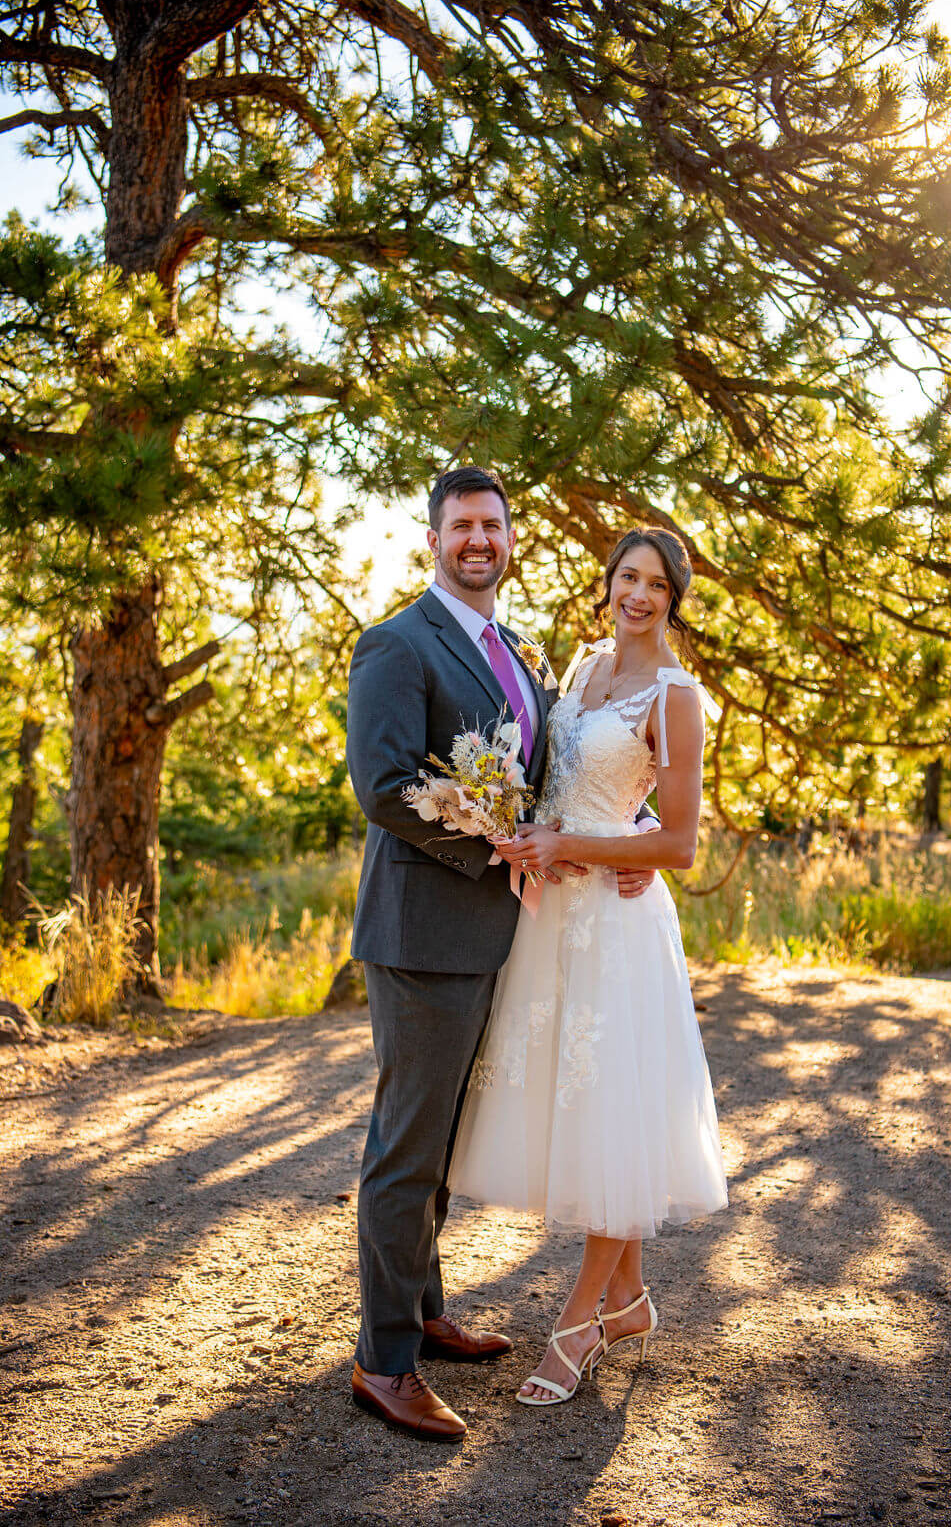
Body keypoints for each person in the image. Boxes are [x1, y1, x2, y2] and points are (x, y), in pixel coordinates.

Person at [344, 467, 657, 1440]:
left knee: (438, 1138)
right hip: (422, 932)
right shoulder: (398, 643)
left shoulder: (516, 650)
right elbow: (384, 784)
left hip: (492, 933)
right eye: (461, 525)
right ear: (433, 536)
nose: (478, 539)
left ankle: (426, 1312)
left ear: (508, 538)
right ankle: (383, 1359)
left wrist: (632, 828)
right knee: (406, 1146)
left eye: (492, 525)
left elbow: (562, 768)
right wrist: (488, 837)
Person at [448, 526, 728, 1406]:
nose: (637, 596)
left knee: (610, 1109)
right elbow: (555, 782)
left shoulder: (675, 698)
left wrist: (596, 844)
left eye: (655, 585)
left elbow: (679, 843)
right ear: (606, 583)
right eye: (626, 578)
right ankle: (631, 1300)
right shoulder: (577, 669)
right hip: (552, 916)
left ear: (675, 598)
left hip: (616, 924)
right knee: (594, 1118)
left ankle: (576, 1325)